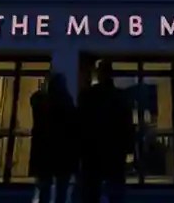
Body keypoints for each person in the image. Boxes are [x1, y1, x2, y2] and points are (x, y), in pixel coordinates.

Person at [77, 60, 134, 203]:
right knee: (115, 189)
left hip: (92, 152)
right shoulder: (120, 97)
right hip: (114, 151)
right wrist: (128, 147)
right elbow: (127, 124)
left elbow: (79, 123)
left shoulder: (87, 96)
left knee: (91, 191)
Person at [31, 73, 78, 203]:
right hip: (63, 154)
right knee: (61, 190)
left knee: (45, 189)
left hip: (46, 153)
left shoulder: (42, 104)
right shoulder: (67, 105)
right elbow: (74, 130)